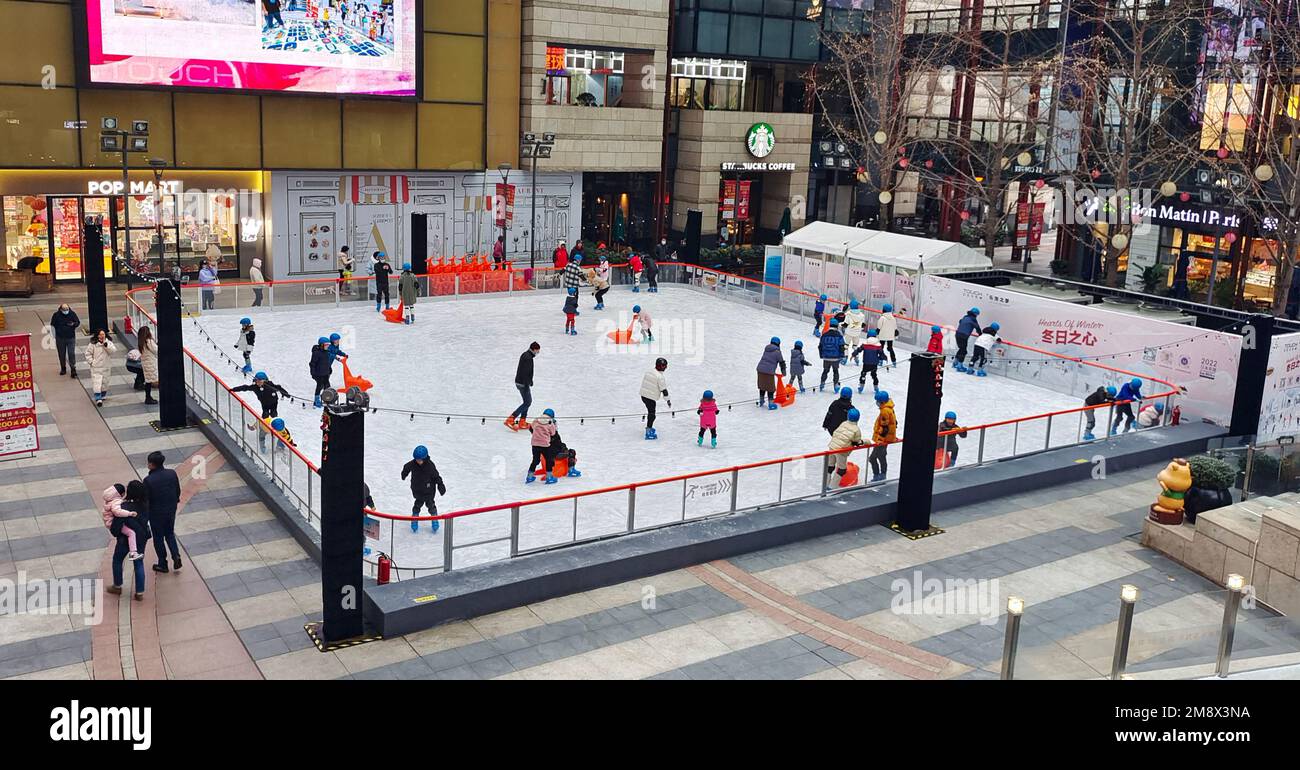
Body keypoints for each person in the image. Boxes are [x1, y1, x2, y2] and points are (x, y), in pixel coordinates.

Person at [108, 480, 150, 601]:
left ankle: (117, 585)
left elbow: (115, 528)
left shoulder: (123, 507)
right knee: (138, 563)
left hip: (124, 540)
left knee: (117, 560)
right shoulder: (145, 505)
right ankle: (140, 592)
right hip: (141, 537)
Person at [142, 451, 182, 573]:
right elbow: (177, 491)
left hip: (156, 513)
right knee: (169, 533)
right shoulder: (172, 473)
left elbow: (146, 500)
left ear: (152, 464)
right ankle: (176, 555)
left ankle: (162, 563)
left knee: (158, 537)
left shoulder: (148, 480)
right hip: (171, 509)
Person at [401, 445, 446, 532]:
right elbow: (406, 467)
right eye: (416, 459)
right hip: (417, 491)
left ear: (425, 458)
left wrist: (440, 484)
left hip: (428, 491)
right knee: (417, 506)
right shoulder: (413, 464)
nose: (418, 461)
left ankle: (434, 519)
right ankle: (414, 519)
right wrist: (404, 474)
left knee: (431, 506)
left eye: (420, 460)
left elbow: (436, 476)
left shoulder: (430, 466)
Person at [102, 484, 146, 562]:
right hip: (112, 523)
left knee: (117, 561)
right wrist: (129, 513)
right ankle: (133, 553)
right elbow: (117, 512)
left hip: (109, 522)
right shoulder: (116, 502)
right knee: (131, 533)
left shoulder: (109, 500)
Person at [827, 408, 866, 484]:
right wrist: (866, 442)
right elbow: (857, 442)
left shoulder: (843, 423)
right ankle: (832, 487)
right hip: (841, 450)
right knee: (841, 470)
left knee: (830, 466)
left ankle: (826, 483)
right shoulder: (856, 429)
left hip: (832, 446)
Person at [506, 342, 540, 431]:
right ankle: (510, 419)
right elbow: (525, 372)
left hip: (522, 382)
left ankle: (522, 421)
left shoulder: (526, 355)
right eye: (537, 350)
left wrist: (529, 381)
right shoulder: (528, 357)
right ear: (534, 349)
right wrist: (526, 384)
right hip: (522, 383)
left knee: (527, 401)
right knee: (527, 402)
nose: (538, 352)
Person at [640, 357, 671, 440]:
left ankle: (649, 427)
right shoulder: (660, 377)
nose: (666, 368)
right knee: (652, 414)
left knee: (650, 411)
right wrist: (668, 400)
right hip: (650, 398)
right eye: (664, 366)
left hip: (643, 396)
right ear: (660, 366)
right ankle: (648, 431)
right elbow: (664, 390)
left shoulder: (649, 371)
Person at [869, 390, 897, 482]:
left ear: (882, 402)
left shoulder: (884, 411)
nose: (876, 403)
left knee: (872, 458)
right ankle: (882, 475)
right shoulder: (890, 408)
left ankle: (877, 476)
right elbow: (894, 423)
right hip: (888, 438)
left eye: (877, 401)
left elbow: (885, 427)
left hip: (883, 439)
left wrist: (880, 440)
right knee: (882, 456)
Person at [527, 408, 560, 484]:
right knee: (548, 460)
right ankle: (549, 477)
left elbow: (531, 428)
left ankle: (529, 476)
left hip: (535, 444)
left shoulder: (536, 420)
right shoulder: (550, 423)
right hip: (545, 445)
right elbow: (553, 434)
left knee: (535, 460)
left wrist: (536, 434)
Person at [85, 329, 116, 407]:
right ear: (97, 335)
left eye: (103, 334)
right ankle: (98, 398)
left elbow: (113, 351)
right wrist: (91, 362)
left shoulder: (108, 342)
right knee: (97, 382)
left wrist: (106, 346)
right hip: (96, 367)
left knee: (105, 382)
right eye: (100, 335)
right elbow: (88, 353)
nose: (102, 336)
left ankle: (102, 395)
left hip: (106, 366)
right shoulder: (93, 344)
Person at [51, 303, 81, 378]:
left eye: (67, 309)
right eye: (64, 310)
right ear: (61, 309)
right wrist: (55, 335)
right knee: (61, 354)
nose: (66, 311)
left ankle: (73, 368)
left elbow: (78, 322)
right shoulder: (56, 315)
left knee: (71, 353)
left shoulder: (72, 314)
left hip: (70, 337)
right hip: (60, 338)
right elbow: (52, 325)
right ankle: (63, 368)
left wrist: (73, 324)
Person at [756, 337, 786, 409]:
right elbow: (781, 362)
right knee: (770, 388)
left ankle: (761, 400)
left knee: (762, 385)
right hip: (769, 371)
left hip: (760, 369)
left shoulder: (767, 349)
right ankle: (771, 404)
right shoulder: (777, 351)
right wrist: (784, 372)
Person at [817, 319, 846, 392]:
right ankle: (836, 386)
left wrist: (821, 355)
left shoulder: (824, 335)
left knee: (825, 371)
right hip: (835, 358)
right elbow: (842, 346)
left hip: (826, 357)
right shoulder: (839, 335)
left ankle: (822, 384)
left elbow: (820, 346)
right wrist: (842, 356)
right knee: (835, 371)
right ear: (836, 326)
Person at [852, 329, 884, 393]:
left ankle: (861, 386)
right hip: (874, 363)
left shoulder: (865, 343)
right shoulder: (878, 345)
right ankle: (876, 387)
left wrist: (854, 354)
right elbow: (881, 353)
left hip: (866, 362)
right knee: (874, 375)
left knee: (863, 374)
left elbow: (859, 349)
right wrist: (881, 359)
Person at [954, 307, 982, 372]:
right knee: (964, 351)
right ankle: (959, 366)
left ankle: (955, 363)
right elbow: (977, 328)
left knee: (961, 349)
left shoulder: (965, 317)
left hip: (957, 334)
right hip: (964, 336)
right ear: (975, 314)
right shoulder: (973, 319)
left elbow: (960, 321)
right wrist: (980, 334)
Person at [309, 337, 333, 408]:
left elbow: (326, 362)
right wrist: (313, 373)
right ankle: (316, 400)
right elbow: (312, 364)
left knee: (327, 386)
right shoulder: (316, 353)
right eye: (326, 345)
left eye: (328, 345)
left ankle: (328, 398)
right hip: (318, 374)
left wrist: (329, 368)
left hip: (325, 373)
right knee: (319, 386)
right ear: (321, 345)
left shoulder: (326, 352)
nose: (328, 346)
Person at [137, 326, 158, 405]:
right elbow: (156, 350)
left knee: (148, 381)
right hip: (151, 363)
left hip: (145, 364)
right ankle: (148, 398)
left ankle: (148, 397)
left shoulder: (141, 342)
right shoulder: (149, 341)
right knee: (150, 381)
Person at [877, 303, 899, 368]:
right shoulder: (893, 318)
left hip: (882, 336)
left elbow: (879, 328)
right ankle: (894, 361)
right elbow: (895, 328)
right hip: (890, 336)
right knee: (890, 348)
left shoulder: (882, 318)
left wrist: (876, 334)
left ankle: (880, 360)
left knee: (881, 348)